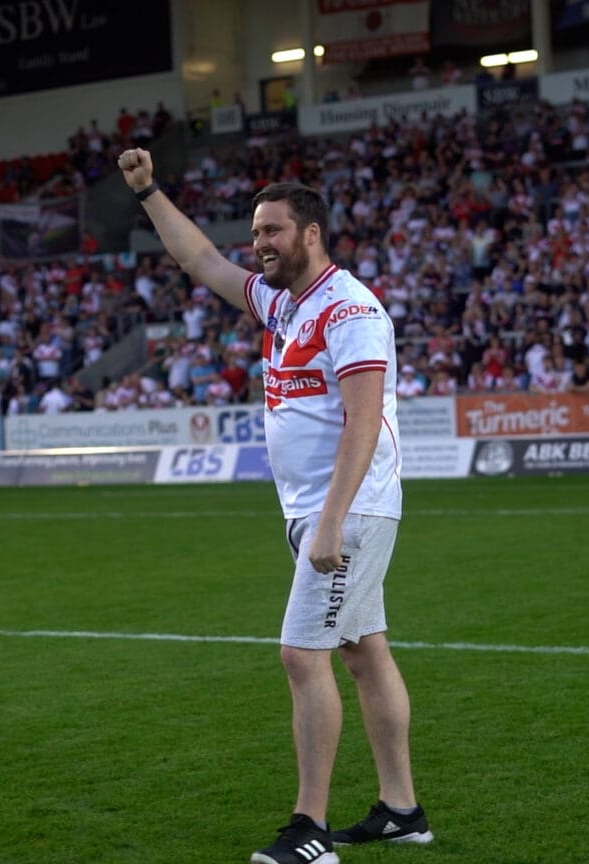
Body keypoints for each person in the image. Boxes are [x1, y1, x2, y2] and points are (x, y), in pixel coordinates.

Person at [118, 146, 430, 864]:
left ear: (310, 234)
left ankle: (310, 831)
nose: (258, 245)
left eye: (272, 232)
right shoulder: (285, 302)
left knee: (301, 654)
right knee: (363, 651)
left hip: (346, 509)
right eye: (256, 232)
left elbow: (362, 420)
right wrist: (148, 191)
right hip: (324, 512)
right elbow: (200, 259)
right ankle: (401, 810)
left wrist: (328, 523)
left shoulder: (350, 309)